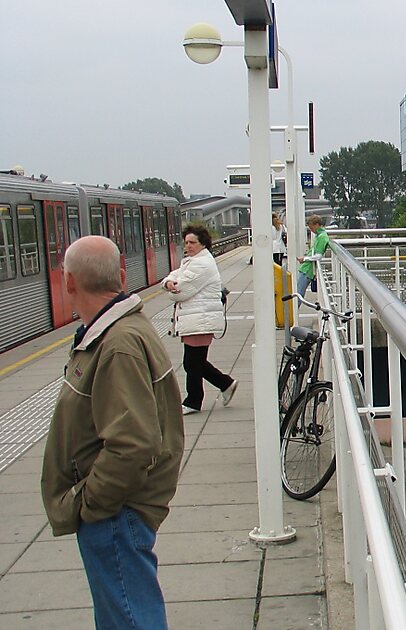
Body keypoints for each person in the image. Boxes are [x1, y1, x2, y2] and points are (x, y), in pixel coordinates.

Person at [41, 235, 184, 629]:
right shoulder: (118, 332)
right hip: (116, 512)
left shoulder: (117, 344)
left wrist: (89, 503)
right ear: (121, 275)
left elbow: (133, 444)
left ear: (68, 282)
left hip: (116, 514)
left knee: (129, 620)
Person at [163, 224, 237, 415]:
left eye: (192, 242)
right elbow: (175, 277)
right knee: (195, 361)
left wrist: (171, 289)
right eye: (186, 242)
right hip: (197, 317)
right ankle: (225, 384)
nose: (188, 246)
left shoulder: (200, 264)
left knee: (192, 362)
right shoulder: (193, 260)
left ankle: (193, 401)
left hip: (200, 318)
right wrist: (169, 283)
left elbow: (181, 292)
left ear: (203, 243)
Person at [296, 214, 329, 297]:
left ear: (317, 225)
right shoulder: (320, 235)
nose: (312, 230)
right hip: (308, 269)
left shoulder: (322, 237)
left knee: (298, 294)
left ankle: (294, 309)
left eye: (312, 227)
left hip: (307, 269)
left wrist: (305, 258)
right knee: (299, 293)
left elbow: (318, 255)